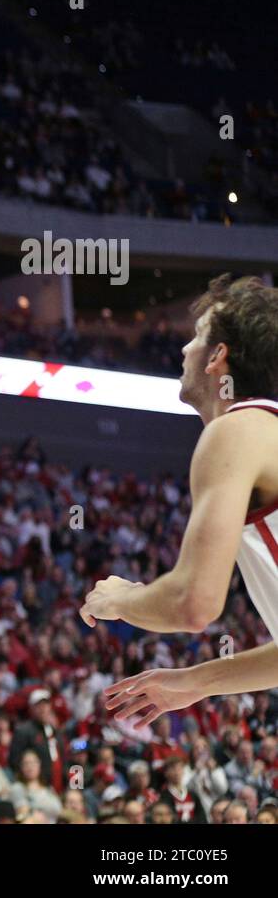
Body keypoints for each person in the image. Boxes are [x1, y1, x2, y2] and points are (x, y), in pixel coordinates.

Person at [83, 277, 278, 724]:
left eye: (196, 337)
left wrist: (121, 599)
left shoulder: (235, 430)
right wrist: (195, 682)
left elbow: (194, 604)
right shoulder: (264, 433)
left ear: (217, 357)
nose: (183, 350)